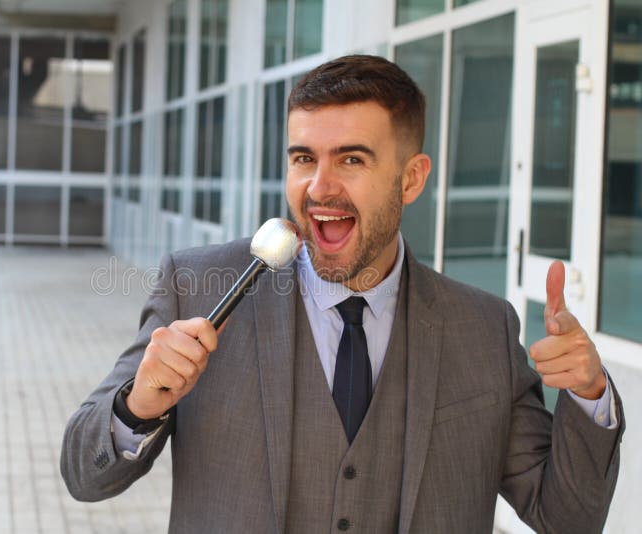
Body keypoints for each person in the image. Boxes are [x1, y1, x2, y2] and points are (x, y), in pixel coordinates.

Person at [61, 55, 624, 533]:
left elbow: (566, 519)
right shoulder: (195, 289)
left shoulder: (484, 330)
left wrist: (588, 393)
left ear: (411, 179)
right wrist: (137, 406)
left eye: (351, 159)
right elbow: (84, 476)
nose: (319, 186)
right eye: (304, 158)